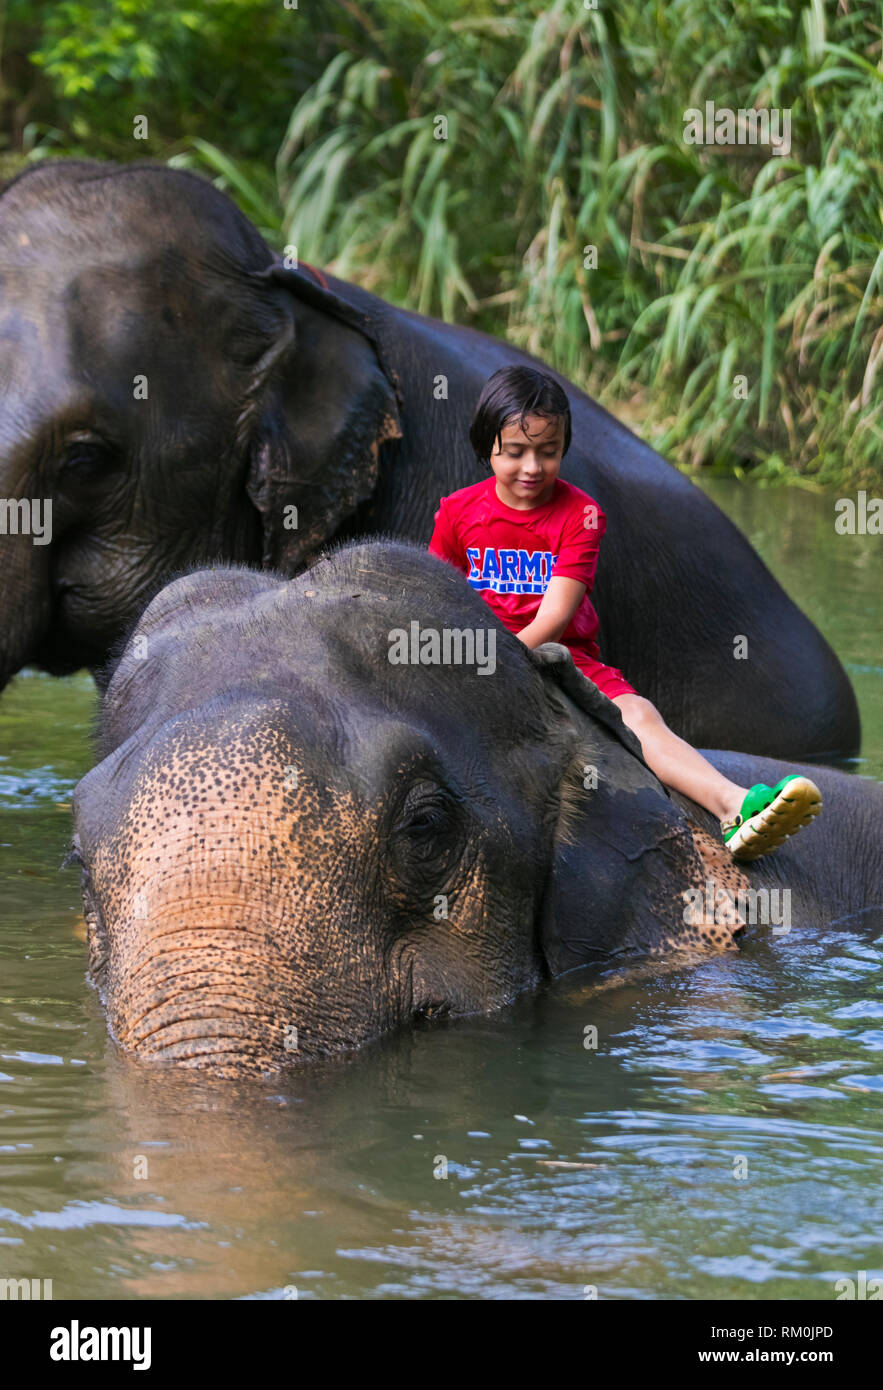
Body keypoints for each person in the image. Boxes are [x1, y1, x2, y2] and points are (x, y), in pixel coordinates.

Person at [428, 365, 821, 860]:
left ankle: (736, 806)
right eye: (516, 452)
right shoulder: (457, 513)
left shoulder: (581, 514)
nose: (532, 467)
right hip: (482, 660)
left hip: (559, 658)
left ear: (564, 449)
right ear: (488, 447)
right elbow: (436, 597)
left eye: (548, 453)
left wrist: (503, 658)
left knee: (639, 715)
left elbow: (555, 617)